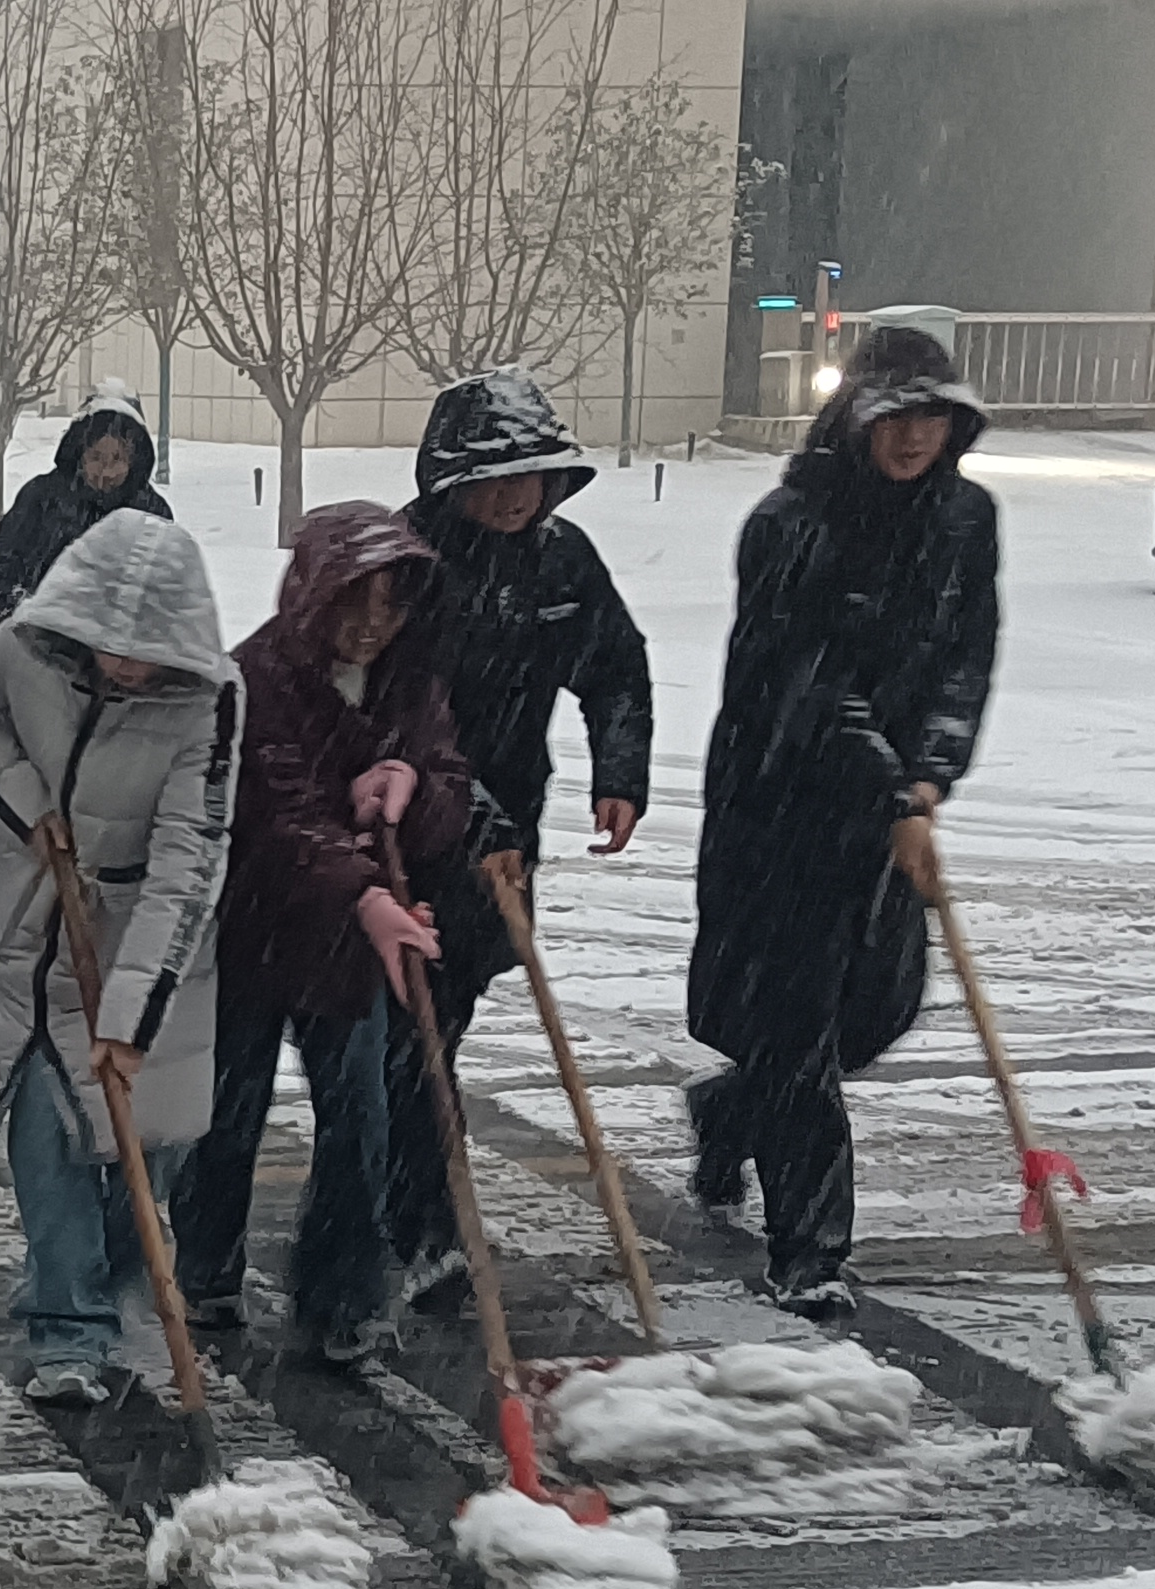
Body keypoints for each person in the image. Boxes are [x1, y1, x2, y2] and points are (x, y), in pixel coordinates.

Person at [689, 326, 998, 1320]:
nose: (912, 437)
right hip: (779, 802)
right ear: (855, 418)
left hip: (891, 807)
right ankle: (810, 1249)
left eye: (931, 417)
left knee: (878, 1007)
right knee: (796, 1025)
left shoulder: (965, 520)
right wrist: (890, 789)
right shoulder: (791, 525)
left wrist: (930, 775)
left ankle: (733, 1108)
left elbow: (967, 655)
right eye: (894, 417)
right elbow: (801, 678)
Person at [0, 511, 238, 1409]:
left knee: (141, 1144)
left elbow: (189, 862)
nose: (124, 667)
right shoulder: (24, 644)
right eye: (110, 647)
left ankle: (120, 1288)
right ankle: (65, 1325)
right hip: (36, 920)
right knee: (47, 1136)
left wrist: (130, 1020)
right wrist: (30, 804)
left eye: (145, 653)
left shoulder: (210, 701)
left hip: (148, 937)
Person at [172, 502, 474, 1366]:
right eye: (355, 601)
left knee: (360, 1120)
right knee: (229, 1111)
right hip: (257, 927)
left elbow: (451, 784)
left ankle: (342, 1293)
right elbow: (279, 817)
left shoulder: (412, 683)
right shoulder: (254, 678)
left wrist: (414, 787)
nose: (373, 625)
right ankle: (206, 1268)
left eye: (391, 604)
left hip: (348, 949)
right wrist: (361, 890)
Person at [392, 364, 653, 1311]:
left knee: (447, 1014)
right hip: (407, 827)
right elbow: (404, 716)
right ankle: (420, 1224)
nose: (514, 496)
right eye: (494, 478)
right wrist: (473, 819)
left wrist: (620, 772)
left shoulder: (561, 562)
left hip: (510, 825)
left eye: (531, 476)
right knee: (412, 1033)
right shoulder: (409, 564)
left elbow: (615, 667)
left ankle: (406, 1197)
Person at [0, 386, 172, 618]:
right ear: (80, 454)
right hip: (43, 632)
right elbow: (6, 567)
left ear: (133, 461)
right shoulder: (42, 498)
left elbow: (166, 587)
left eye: (117, 459)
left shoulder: (152, 513)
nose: (106, 470)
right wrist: (20, 613)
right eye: (96, 457)